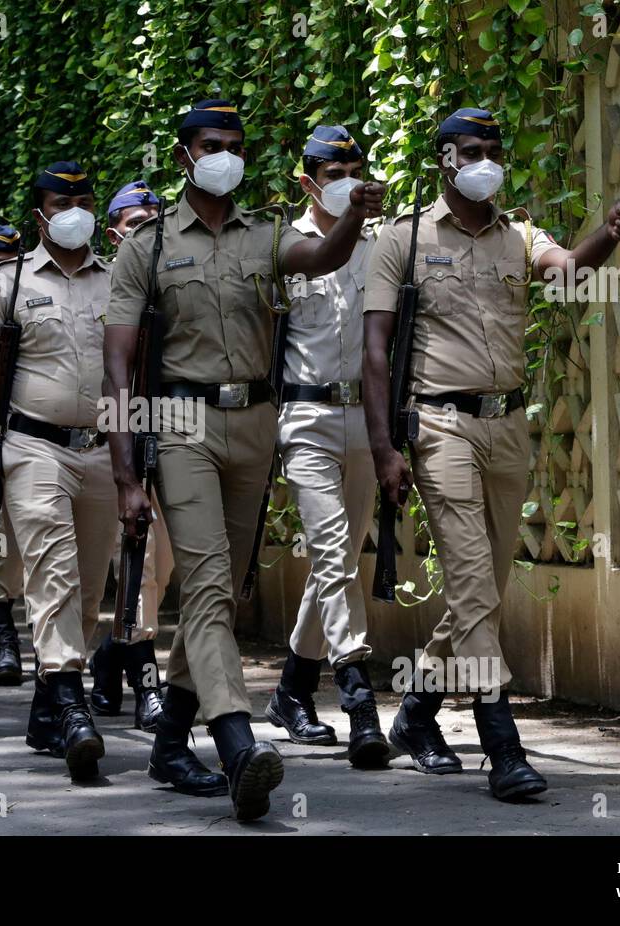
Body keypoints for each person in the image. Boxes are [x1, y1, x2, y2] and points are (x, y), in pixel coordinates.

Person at [105, 99, 383, 820]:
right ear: (183, 157)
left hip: (256, 422)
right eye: (211, 144)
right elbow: (118, 366)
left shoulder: (264, 235)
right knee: (204, 587)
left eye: (235, 144)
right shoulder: (150, 247)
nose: (225, 154)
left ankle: (169, 738)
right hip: (180, 423)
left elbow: (323, 255)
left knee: (221, 594)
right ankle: (235, 742)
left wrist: (354, 214)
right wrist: (126, 475)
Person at [362, 107, 620, 801]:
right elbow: (374, 354)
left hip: (508, 426)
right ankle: (502, 744)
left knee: (480, 587)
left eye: (494, 147)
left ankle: (418, 713)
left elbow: (570, 273)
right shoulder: (404, 239)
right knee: (472, 580)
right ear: (446, 160)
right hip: (438, 426)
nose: (487, 159)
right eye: (474, 149)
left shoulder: (519, 235)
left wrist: (607, 233)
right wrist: (383, 451)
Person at [0, 161, 116, 781]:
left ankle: (48, 707)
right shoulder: (6, 282)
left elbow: (133, 372)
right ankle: (74, 708)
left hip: (104, 447)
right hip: (32, 446)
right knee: (53, 571)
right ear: (39, 214)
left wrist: (137, 467)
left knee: (88, 583)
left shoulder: (118, 278)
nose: (75, 208)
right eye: (62, 200)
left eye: (84, 197)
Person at [264, 125, 388, 769]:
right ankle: (359, 695)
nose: (346, 180)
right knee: (334, 551)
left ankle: (291, 689)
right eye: (332, 171)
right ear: (307, 179)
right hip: (306, 415)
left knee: (337, 562)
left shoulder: (381, 244)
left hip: (364, 420)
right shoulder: (284, 245)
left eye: (354, 169)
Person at [89, 179, 169, 732]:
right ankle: (146, 680)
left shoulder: (174, 283)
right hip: (112, 441)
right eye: (136, 223)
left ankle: (109, 655)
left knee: (158, 567)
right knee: (133, 563)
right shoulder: (98, 286)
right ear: (114, 232)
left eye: (155, 222)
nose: (147, 232)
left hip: (171, 431)